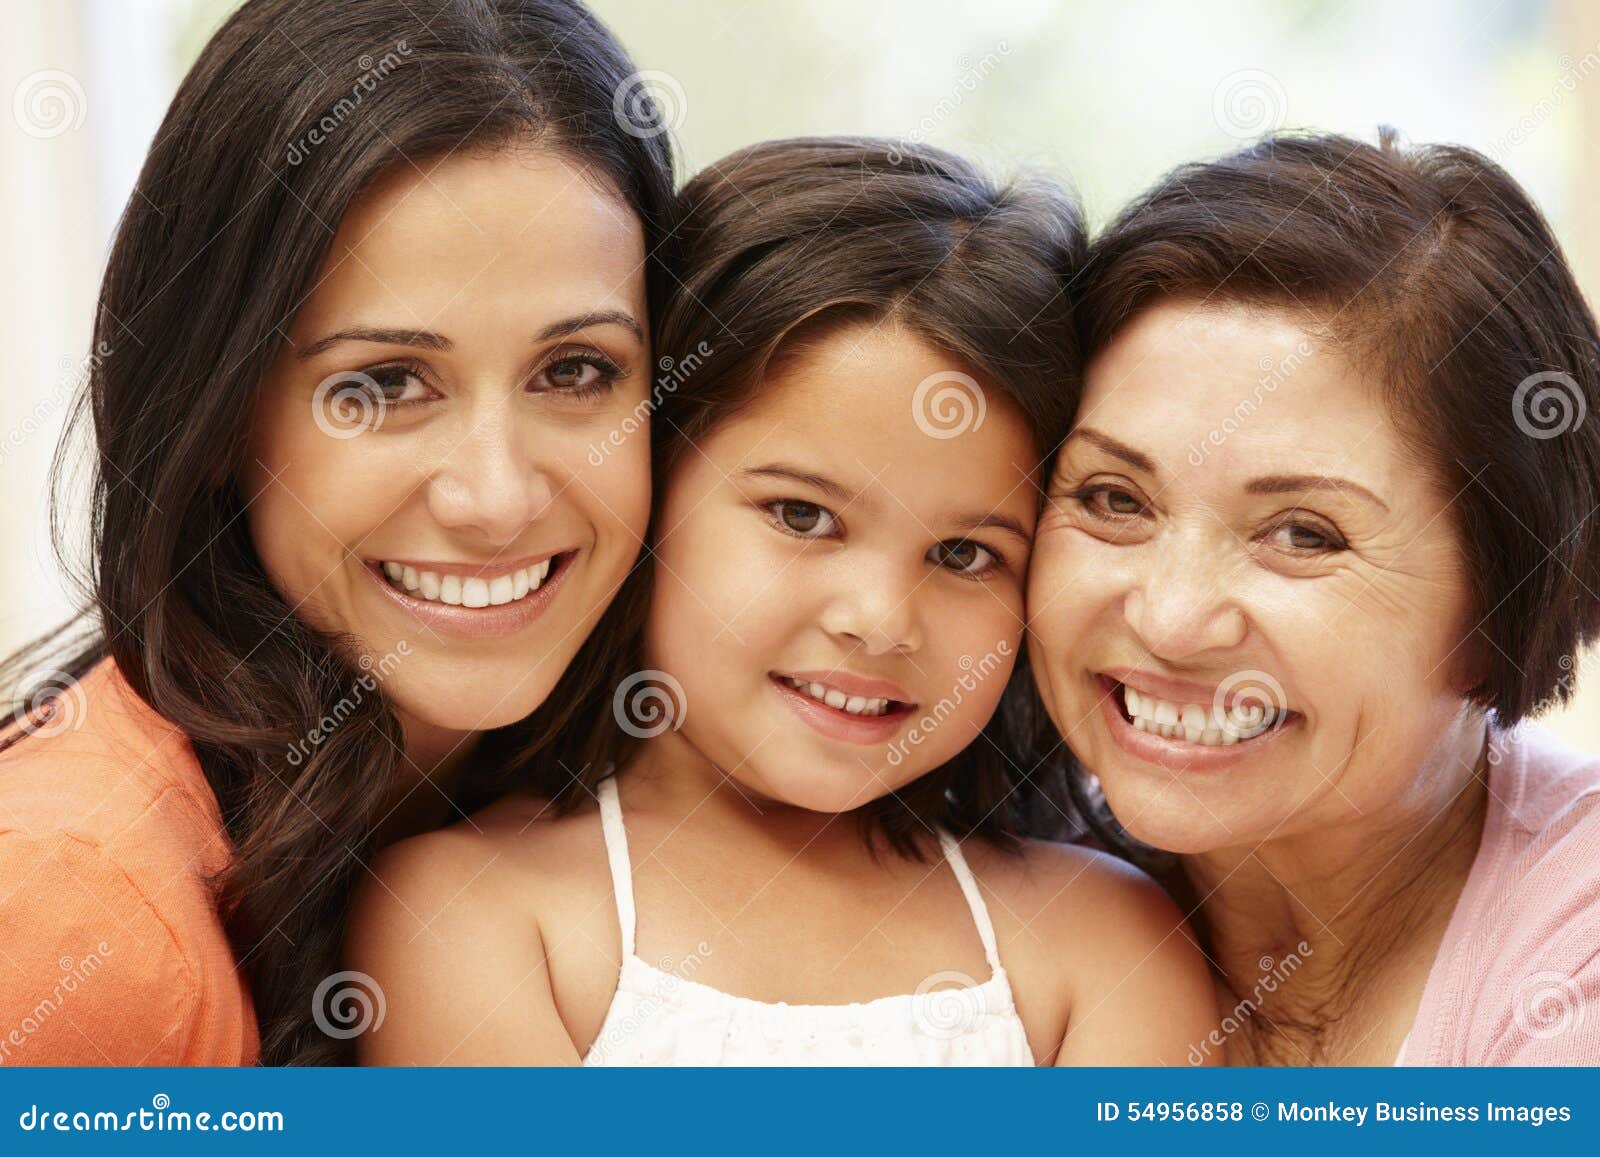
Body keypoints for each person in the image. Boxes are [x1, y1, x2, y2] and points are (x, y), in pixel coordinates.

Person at [349, 138, 1217, 1066]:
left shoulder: (1106, 943)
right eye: (802, 515)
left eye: (965, 552)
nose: (880, 618)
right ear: (651, 485)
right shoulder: (469, 916)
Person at [0, 0, 676, 1065]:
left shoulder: (575, 799)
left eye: (575, 370)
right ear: (214, 414)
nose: (495, 497)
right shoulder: (73, 914)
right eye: (386, 383)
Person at [1027, 129, 1600, 1064]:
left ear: (1507, 596)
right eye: (1113, 499)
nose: (1169, 621)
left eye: (1303, 533)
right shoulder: (976, 860)